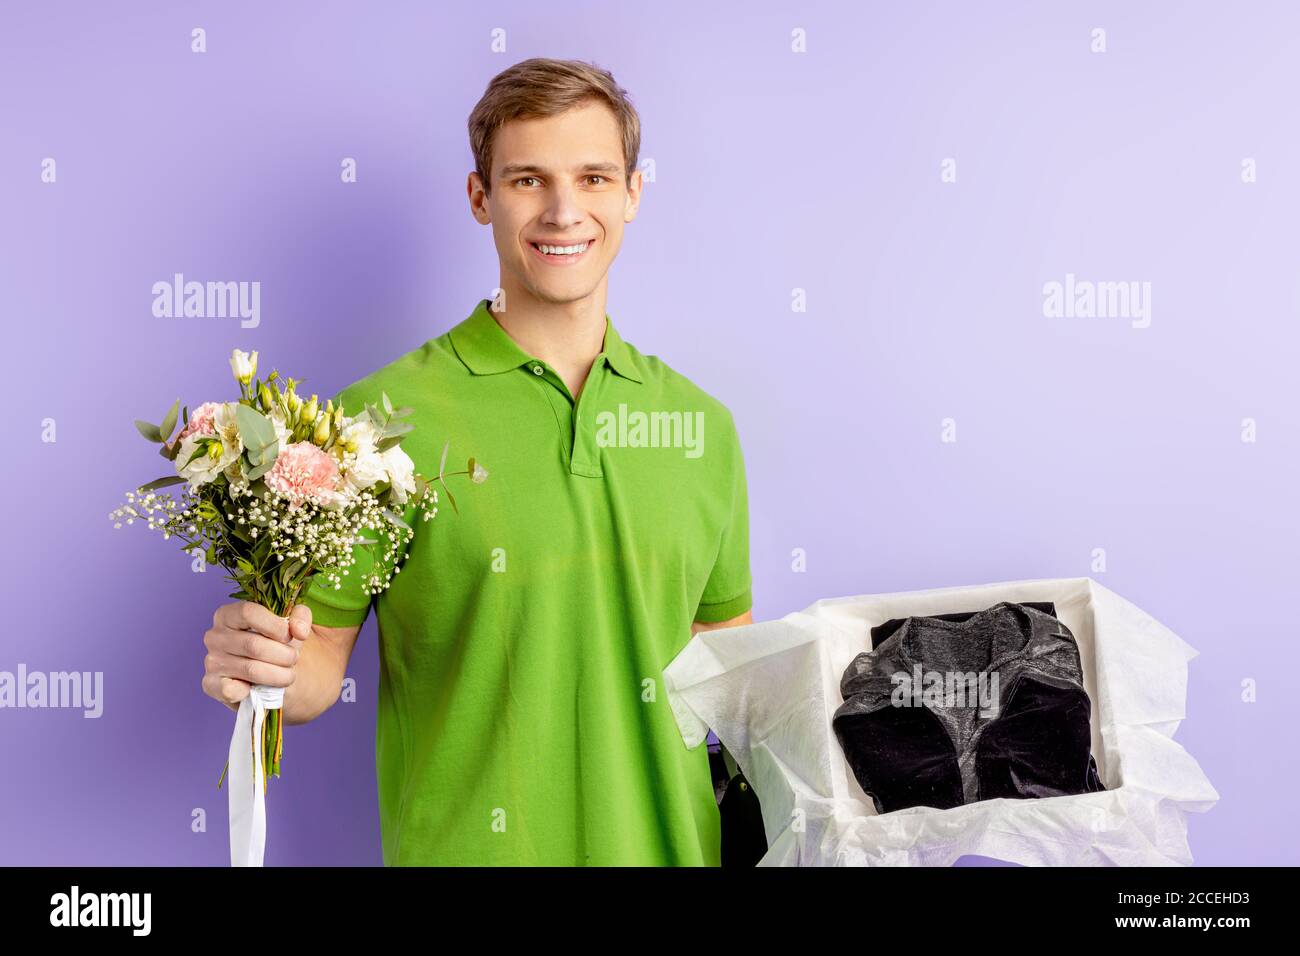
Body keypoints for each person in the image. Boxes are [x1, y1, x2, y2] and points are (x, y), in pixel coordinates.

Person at [200, 57, 753, 865]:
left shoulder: (703, 427)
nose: (565, 210)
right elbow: (315, 665)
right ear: (480, 198)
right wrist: (265, 670)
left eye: (594, 177)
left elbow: (733, 688)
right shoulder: (375, 424)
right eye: (528, 180)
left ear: (633, 193)